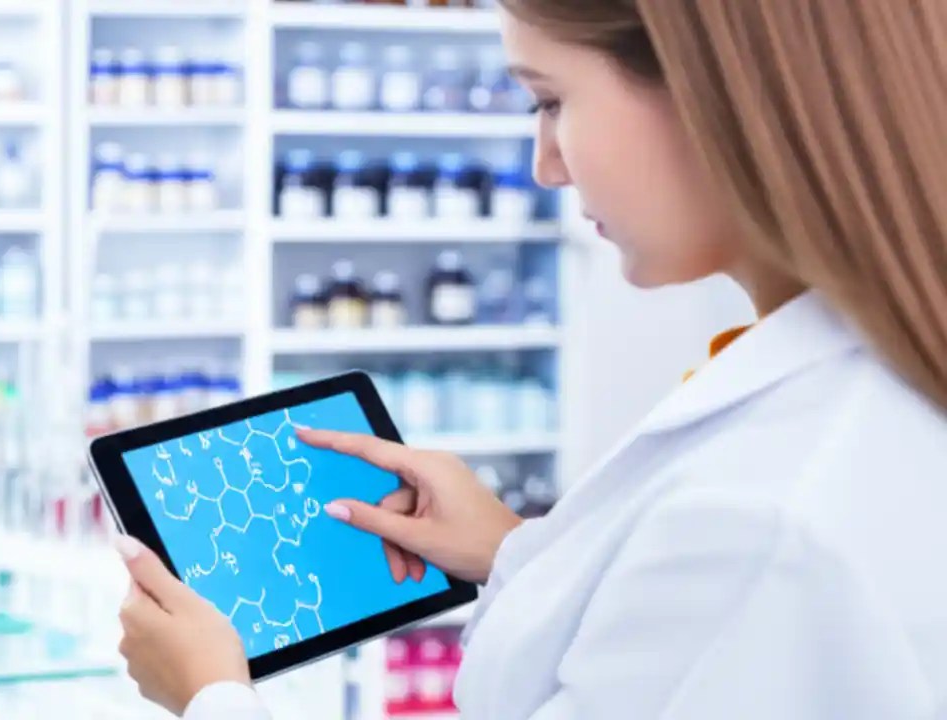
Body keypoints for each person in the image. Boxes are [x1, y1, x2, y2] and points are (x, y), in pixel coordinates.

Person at [113, 1, 947, 717]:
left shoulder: (764, 524)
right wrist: (515, 552)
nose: (545, 166)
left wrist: (212, 693)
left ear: (715, 93)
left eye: (549, 101)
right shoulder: (863, 387)